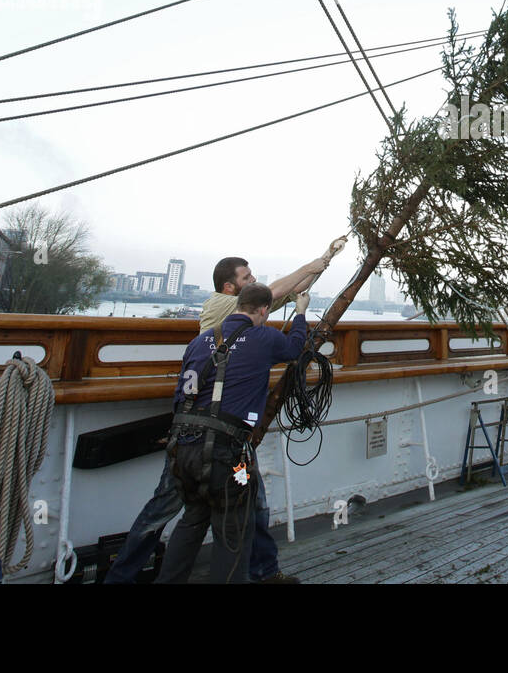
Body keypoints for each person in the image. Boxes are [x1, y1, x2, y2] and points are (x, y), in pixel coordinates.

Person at [105, 243, 342, 584]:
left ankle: (263, 570)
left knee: (224, 509)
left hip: (189, 444)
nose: (254, 279)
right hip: (224, 452)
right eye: (247, 276)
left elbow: (275, 295)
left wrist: (319, 266)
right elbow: (280, 311)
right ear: (231, 288)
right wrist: (311, 271)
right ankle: (121, 578)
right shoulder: (221, 306)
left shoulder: (204, 341)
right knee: (203, 516)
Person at [156, 282, 312, 583]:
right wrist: (301, 313)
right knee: (233, 529)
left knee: (192, 520)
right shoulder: (263, 337)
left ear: (238, 304)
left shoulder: (200, 341)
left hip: (183, 450)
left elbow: (181, 395)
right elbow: (294, 349)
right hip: (229, 457)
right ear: (264, 310)